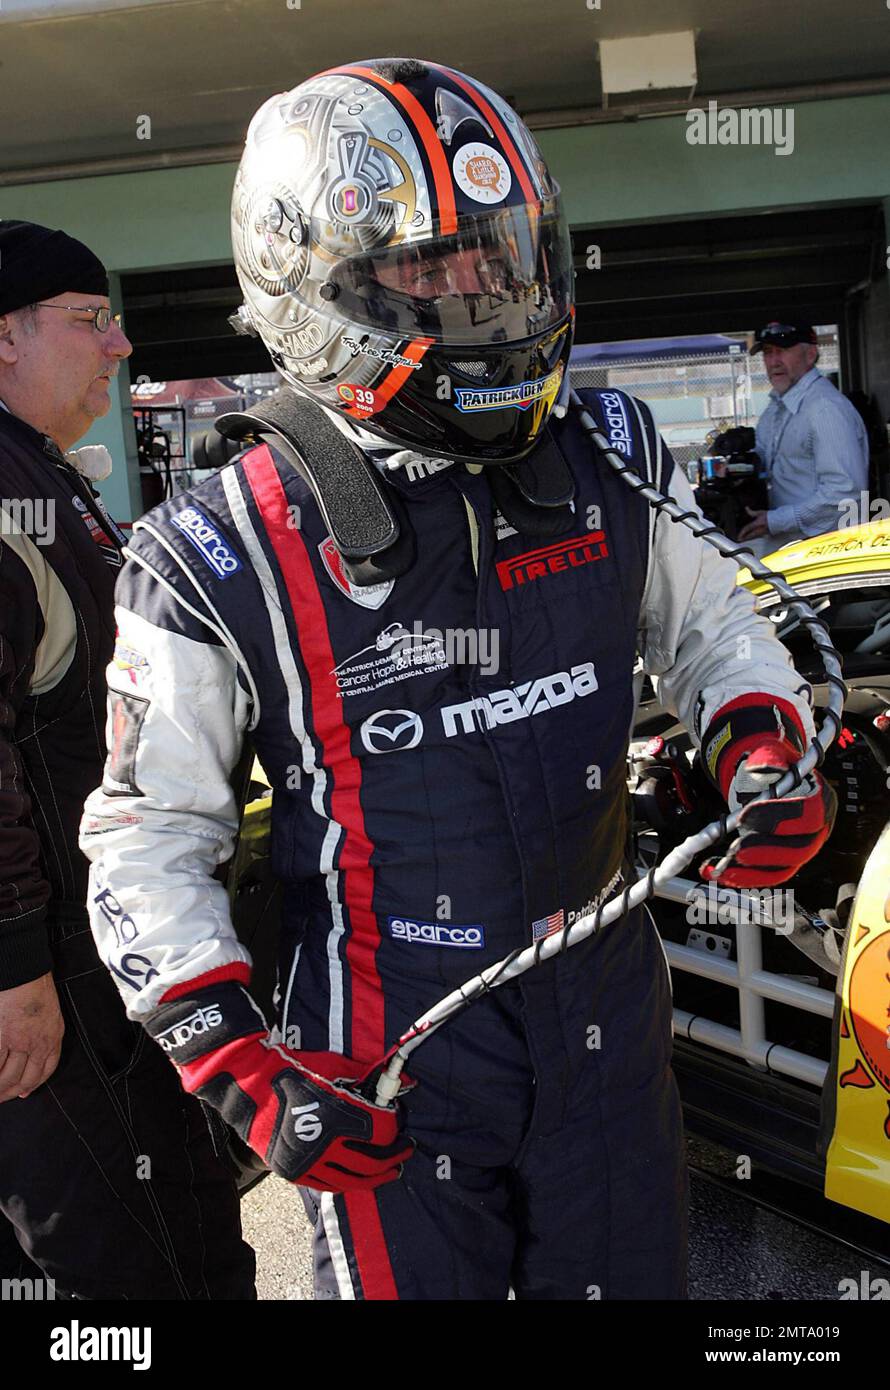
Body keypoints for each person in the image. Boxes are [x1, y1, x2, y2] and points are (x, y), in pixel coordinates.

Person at [81, 60, 835, 1300]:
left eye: (498, 257)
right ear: (308, 278)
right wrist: (231, 1056)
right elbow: (147, 835)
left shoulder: (611, 448)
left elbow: (717, 633)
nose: (478, 291)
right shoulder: (212, 547)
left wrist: (760, 743)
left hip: (605, 1009)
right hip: (391, 1046)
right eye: (428, 267)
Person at [0, 220, 255, 1299]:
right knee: (144, 1262)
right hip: (50, 987)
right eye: (88, 320)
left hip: (76, 961)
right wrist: (14, 970)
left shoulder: (38, 475)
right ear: (4, 336)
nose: (117, 346)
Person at [737, 320, 869, 551]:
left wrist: (775, 521)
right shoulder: (777, 407)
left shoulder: (825, 409)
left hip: (828, 553)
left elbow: (846, 492)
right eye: (767, 352)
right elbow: (765, 463)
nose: (773, 361)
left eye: (783, 350)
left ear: (811, 354)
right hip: (794, 547)